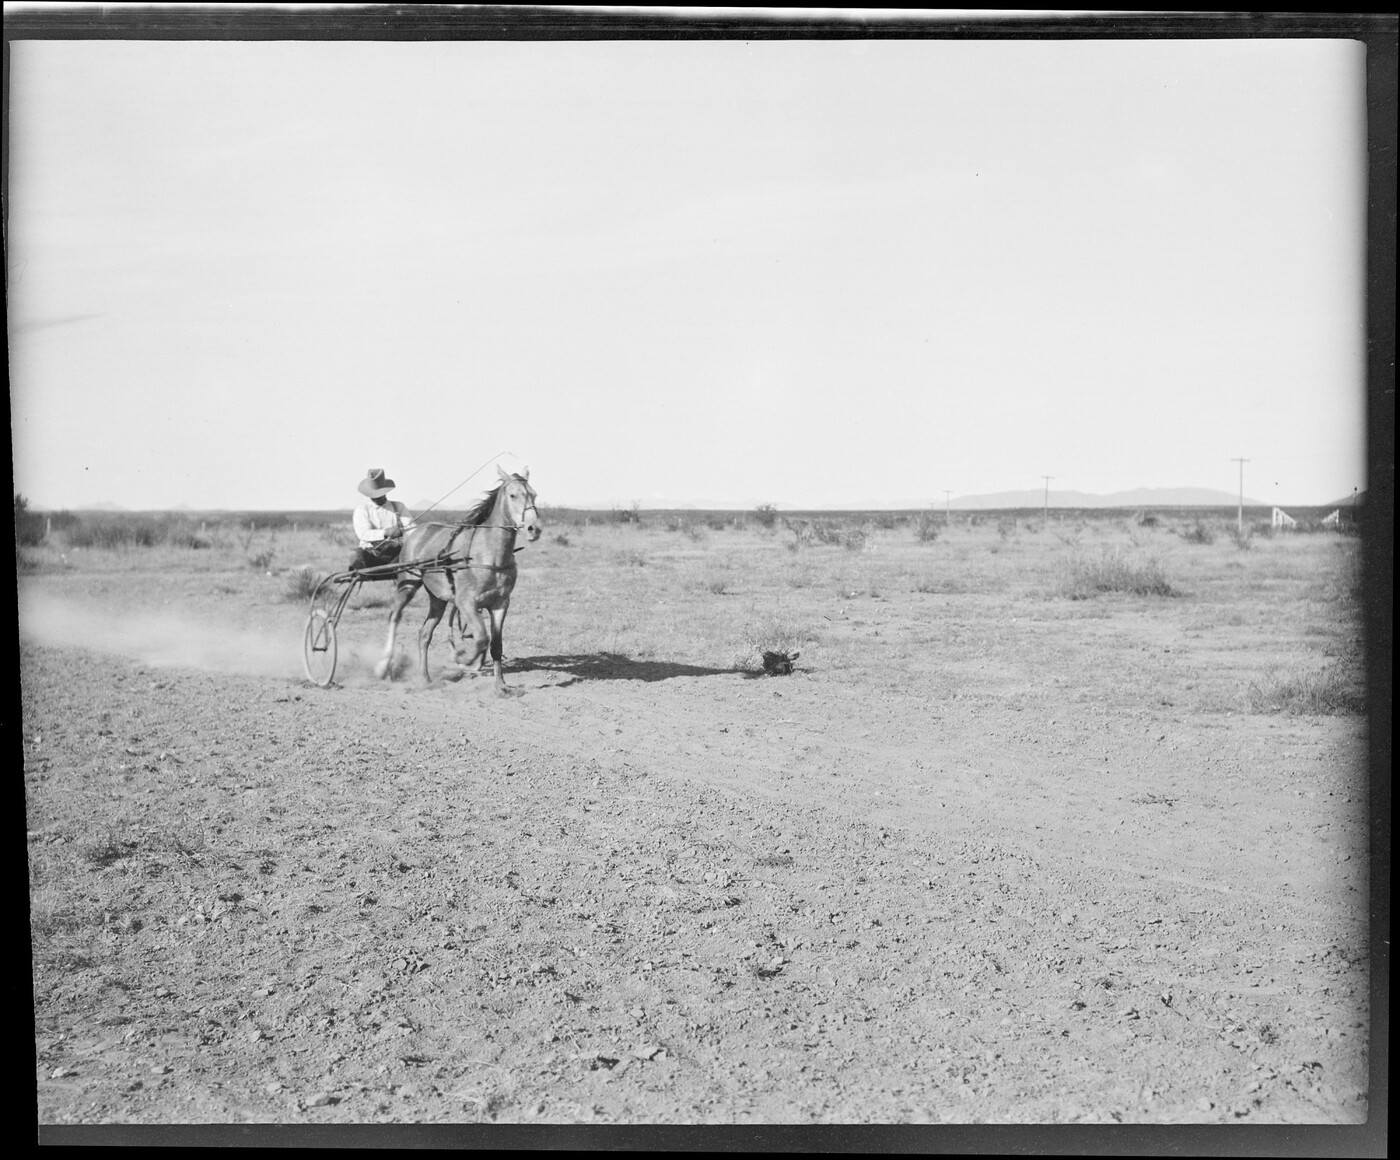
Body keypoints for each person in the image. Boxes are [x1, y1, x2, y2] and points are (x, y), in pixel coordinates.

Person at [350, 468, 416, 571]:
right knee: (356, 555)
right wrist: (386, 532)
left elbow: (412, 530)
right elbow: (363, 534)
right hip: (371, 555)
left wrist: (403, 533)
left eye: (380, 494)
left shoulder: (399, 506)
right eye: (374, 495)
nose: (377, 497)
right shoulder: (362, 510)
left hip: (397, 555)